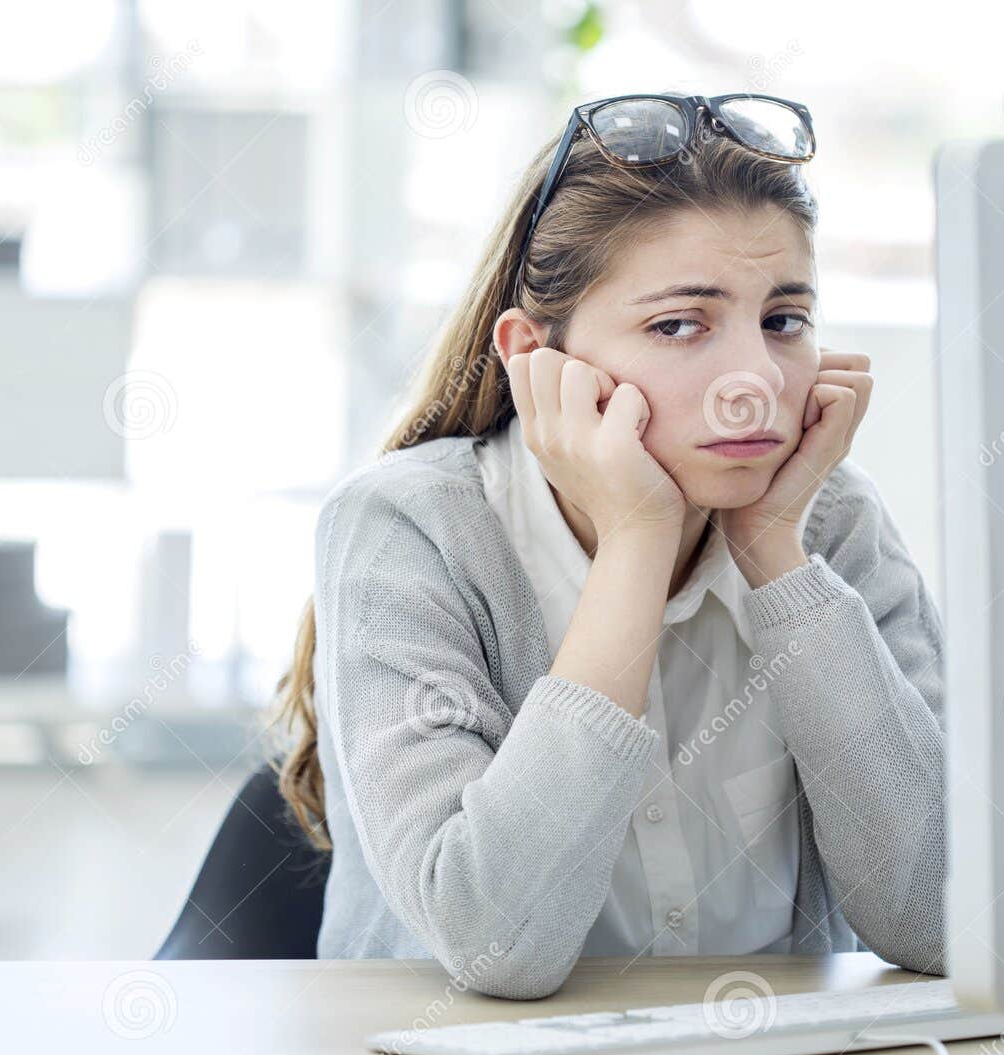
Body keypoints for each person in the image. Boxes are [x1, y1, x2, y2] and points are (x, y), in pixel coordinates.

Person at [270, 94, 946, 999]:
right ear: (533, 356)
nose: (754, 381)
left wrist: (777, 554)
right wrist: (636, 539)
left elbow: (945, 916)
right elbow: (494, 945)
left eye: (783, 320)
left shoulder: (827, 523)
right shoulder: (407, 530)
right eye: (679, 325)